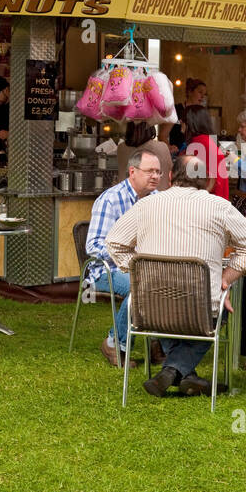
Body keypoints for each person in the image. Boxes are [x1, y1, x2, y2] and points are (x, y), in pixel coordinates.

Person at [106, 154, 246, 397]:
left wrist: (138, 272)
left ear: (170, 177)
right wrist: (227, 277)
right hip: (199, 310)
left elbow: (114, 243)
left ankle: (174, 372)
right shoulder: (219, 206)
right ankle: (178, 372)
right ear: (208, 180)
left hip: (150, 308)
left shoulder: (145, 205)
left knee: (181, 312)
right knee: (213, 312)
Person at [85, 150, 163, 367]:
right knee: (140, 287)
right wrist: (129, 255)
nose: (155, 176)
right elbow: (93, 246)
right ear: (132, 172)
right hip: (107, 270)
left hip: (147, 269)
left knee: (167, 281)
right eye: (150, 171)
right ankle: (114, 342)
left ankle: (157, 343)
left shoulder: (158, 200)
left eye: (158, 172)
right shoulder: (111, 200)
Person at [180, 104, 228, 200]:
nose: (180, 122)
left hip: (207, 202)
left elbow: (210, 179)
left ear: (190, 122)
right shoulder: (206, 140)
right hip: (216, 200)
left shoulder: (200, 142)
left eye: (183, 119)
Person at [116, 121, 171, 192]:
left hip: (127, 195)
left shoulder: (121, 148)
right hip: (159, 197)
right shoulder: (161, 147)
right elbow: (170, 172)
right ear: (151, 127)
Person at [167, 78, 207, 151]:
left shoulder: (201, 115)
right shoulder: (176, 110)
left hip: (196, 156)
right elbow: (162, 136)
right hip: (177, 157)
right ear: (189, 92)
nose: (202, 96)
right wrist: (169, 147)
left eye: (204, 94)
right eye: (200, 92)